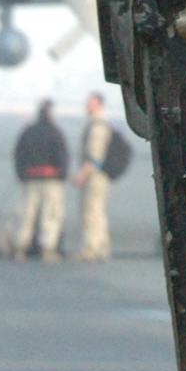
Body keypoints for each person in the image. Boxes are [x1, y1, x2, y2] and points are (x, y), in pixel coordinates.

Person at [10, 98, 68, 259]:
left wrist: (21, 174)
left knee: (26, 214)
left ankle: (20, 247)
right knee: (50, 215)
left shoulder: (28, 131)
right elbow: (62, 157)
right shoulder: (56, 132)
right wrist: (62, 175)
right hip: (52, 180)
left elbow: (19, 154)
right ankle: (47, 249)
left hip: (30, 178)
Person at [75, 92, 114, 263]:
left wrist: (81, 175)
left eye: (90, 102)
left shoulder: (97, 126)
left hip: (94, 176)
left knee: (91, 211)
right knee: (97, 211)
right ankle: (101, 247)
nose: (86, 105)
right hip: (99, 175)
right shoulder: (100, 124)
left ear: (98, 103)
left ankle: (91, 248)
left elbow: (94, 157)